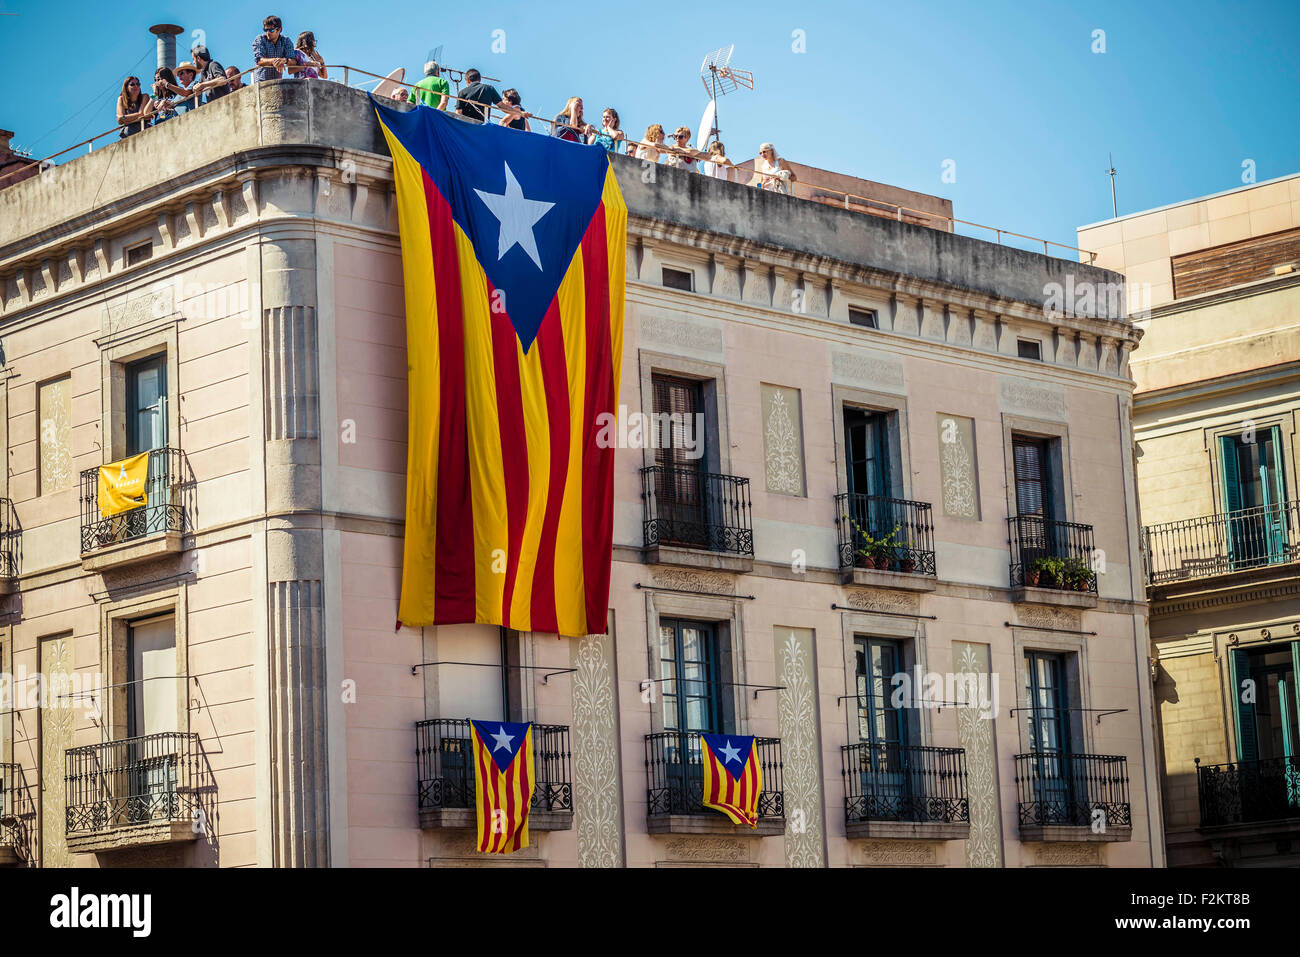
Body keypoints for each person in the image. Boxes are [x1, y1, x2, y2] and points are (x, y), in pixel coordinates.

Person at [455, 68, 520, 124]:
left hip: (466, 126)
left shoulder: (462, 92)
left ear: (468, 80)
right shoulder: (489, 88)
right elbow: (502, 106)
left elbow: (458, 114)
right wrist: (518, 112)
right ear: (480, 80)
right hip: (483, 127)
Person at [252, 15, 298, 82]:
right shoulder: (260, 39)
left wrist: (284, 60)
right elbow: (259, 60)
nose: (268, 33)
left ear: (279, 30)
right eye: (266, 30)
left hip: (277, 82)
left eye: (271, 30)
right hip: (261, 82)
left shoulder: (286, 41)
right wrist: (276, 61)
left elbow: (293, 61)